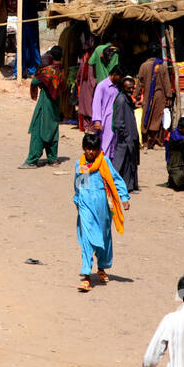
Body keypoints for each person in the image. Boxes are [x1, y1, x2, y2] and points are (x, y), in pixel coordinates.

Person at [72, 131, 129, 293]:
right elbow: (80, 183)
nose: (90, 152)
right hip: (85, 205)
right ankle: (87, 276)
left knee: (104, 237)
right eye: (88, 148)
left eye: (93, 149)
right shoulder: (81, 164)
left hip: (102, 206)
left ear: (98, 149)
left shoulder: (104, 162)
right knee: (87, 239)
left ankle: (102, 268)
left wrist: (124, 197)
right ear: (83, 148)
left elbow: (116, 179)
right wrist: (77, 199)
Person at [21, 52, 63, 167]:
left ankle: (32, 160)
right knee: (53, 131)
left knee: (38, 131)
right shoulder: (60, 71)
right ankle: (53, 159)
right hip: (55, 107)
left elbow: (35, 82)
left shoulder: (47, 73)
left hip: (45, 106)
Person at [138, 54, 176, 149]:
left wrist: (136, 95)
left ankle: (146, 141)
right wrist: (169, 97)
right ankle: (156, 141)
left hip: (147, 96)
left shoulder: (143, 66)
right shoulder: (162, 66)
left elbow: (140, 82)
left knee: (147, 117)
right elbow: (166, 83)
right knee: (158, 118)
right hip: (159, 96)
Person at [110, 73, 141, 191]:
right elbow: (118, 122)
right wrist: (126, 136)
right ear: (123, 88)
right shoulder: (121, 100)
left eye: (132, 88)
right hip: (125, 138)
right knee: (121, 162)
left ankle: (128, 186)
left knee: (130, 162)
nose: (131, 90)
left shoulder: (126, 99)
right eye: (128, 88)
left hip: (130, 136)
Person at [90, 65, 124, 157]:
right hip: (105, 120)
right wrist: (97, 121)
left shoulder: (117, 87)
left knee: (113, 143)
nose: (120, 79)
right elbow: (96, 103)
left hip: (115, 120)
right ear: (114, 74)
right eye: (119, 76)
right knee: (105, 144)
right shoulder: (102, 86)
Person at [76, 36, 97, 132]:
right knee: (90, 106)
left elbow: (80, 72)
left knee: (86, 106)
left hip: (87, 84)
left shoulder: (86, 57)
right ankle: (89, 127)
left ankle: (87, 127)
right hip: (91, 84)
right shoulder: (91, 57)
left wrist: (78, 79)